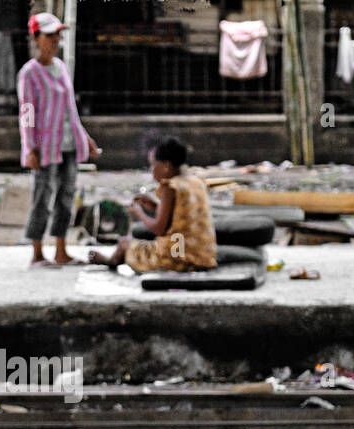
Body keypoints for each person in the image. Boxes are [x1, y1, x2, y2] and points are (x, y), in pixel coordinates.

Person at [17, 12, 101, 268]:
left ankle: (61, 250)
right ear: (36, 38)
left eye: (57, 34)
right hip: (44, 147)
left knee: (66, 197)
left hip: (69, 144)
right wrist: (30, 148)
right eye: (49, 35)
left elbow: (70, 110)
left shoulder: (61, 68)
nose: (55, 39)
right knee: (41, 197)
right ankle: (37, 252)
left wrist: (85, 138)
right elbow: (27, 113)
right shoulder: (29, 73)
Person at [89, 136, 217, 272]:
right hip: (203, 257)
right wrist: (156, 207)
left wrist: (140, 213)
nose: (152, 170)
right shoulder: (195, 181)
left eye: (153, 165)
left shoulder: (170, 187)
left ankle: (111, 261)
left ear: (166, 165)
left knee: (125, 243)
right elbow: (179, 216)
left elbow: (159, 229)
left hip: (176, 258)